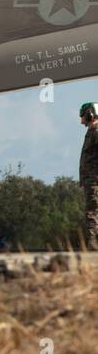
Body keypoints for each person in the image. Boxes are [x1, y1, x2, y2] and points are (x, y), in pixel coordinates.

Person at [80, 103, 98, 247]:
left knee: (92, 211)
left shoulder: (97, 132)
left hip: (95, 180)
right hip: (90, 180)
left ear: (90, 114)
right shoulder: (91, 131)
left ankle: (92, 242)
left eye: (82, 116)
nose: (81, 121)